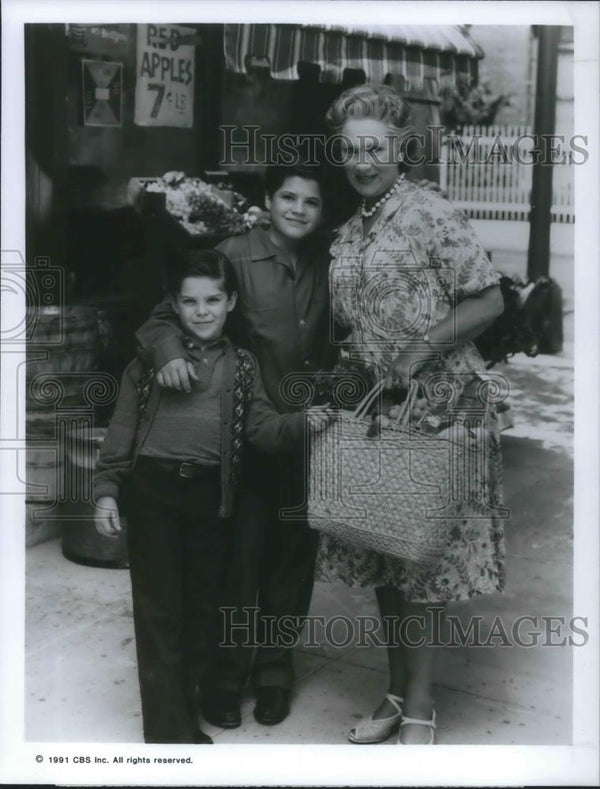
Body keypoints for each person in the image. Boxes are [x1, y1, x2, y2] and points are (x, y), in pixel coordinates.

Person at [314, 84, 506, 745]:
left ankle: (421, 705)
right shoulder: (351, 229)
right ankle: (396, 691)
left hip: (442, 407)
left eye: (375, 148)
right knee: (385, 551)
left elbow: (488, 301)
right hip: (379, 410)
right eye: (351, 150)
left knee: (423, 563)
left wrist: (421, 347)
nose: (363, 161)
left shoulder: (429, 213)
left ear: (400, 149)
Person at [94, 248, 333, 744]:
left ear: (230, 303)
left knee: (202, 608)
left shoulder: (242, 367)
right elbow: (121, 431)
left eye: (212, 300)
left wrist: (301, 423)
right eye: (190, 301)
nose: (201, 311)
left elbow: (262, 427)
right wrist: (106, 491)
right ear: (175, 306)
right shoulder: (151, 362)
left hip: (210, 499)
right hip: (153, 494)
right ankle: (168, 733)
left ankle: (188, 707)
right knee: (159, 611)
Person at [134, 165, 336, 729]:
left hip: (307, 436)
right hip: (243, 438)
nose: (298, 209)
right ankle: (224, 677)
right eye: (288, 197)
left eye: (311, 201)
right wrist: (170, 352)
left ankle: (274, 672)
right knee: (234, 564)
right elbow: (160, 316)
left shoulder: (331, 259)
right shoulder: (234, 253)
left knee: (292, 563)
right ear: (267, 201)